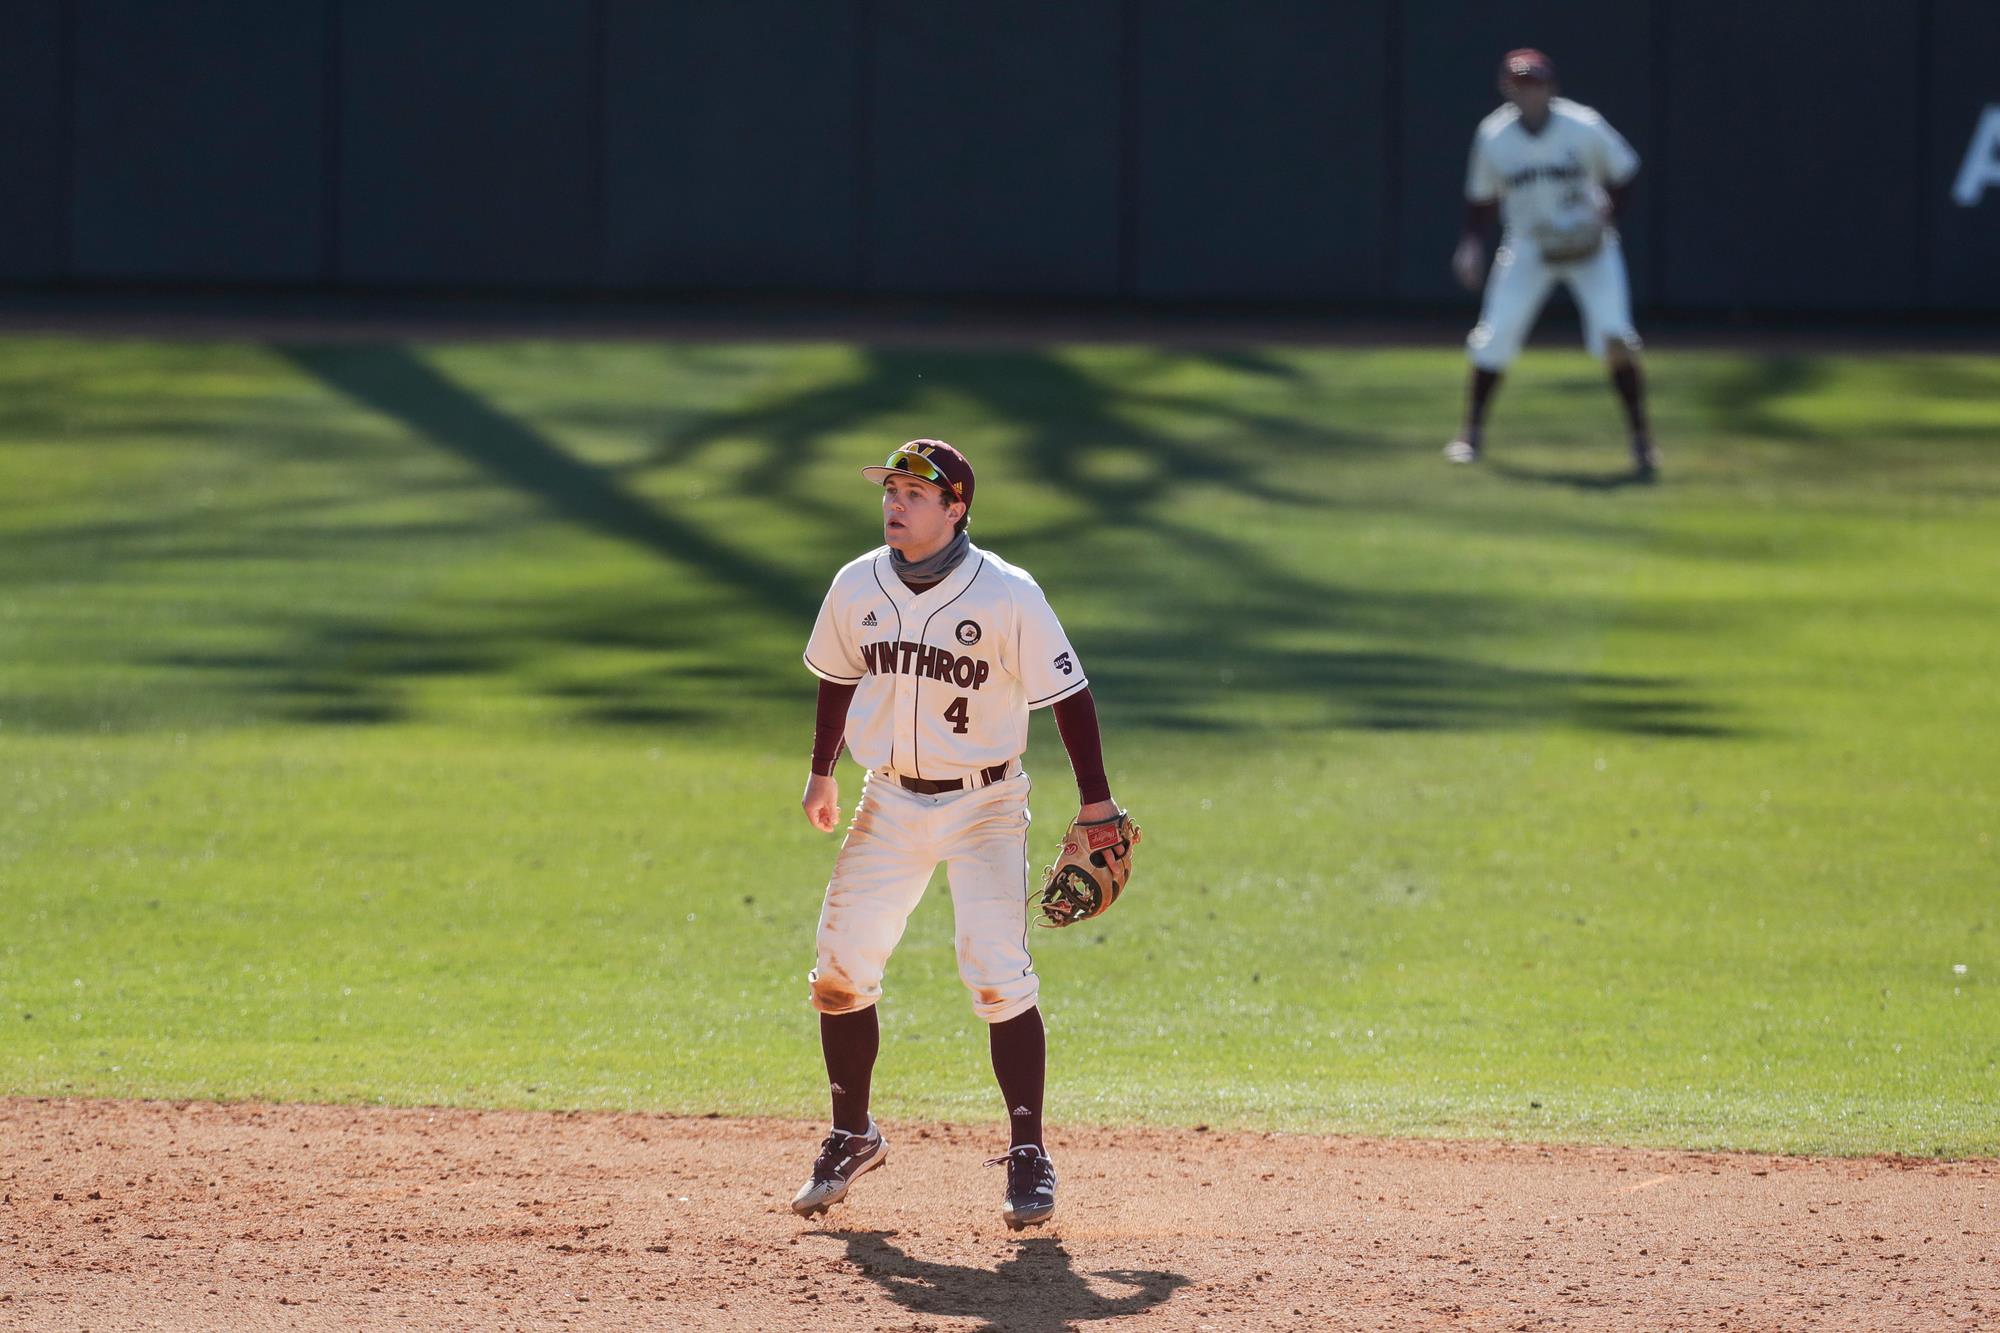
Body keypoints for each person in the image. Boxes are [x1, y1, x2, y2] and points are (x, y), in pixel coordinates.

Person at [791, 438, 1126, 1230]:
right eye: (890, 490)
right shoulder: (857, 582)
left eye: (914, 492)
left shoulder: (1007, 592)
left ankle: (1029, 1152)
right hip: (888, 801)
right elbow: (838, 675)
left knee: (995, 969)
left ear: (956, 507)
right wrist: (821, 769)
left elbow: (1068, 694)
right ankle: (852, 1133)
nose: (894, 503)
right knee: (839, 968)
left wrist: (1098, 803)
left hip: (986, 806)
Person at [1448, 47, 1658, 477]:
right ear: (1506, 89)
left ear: (1552, 87)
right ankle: (1471, 433)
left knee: (1616, 335)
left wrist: (1609, 216)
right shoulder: (1494, 136)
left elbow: (1624, 171)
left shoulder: (1583, 126)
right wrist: (1470, 243)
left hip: (1592, 248)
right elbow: (1481, 197)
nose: (1529, 93)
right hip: (1529, 246)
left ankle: (1641, 441)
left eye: (1537, 84)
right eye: (1521, 84)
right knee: (1495, 333)